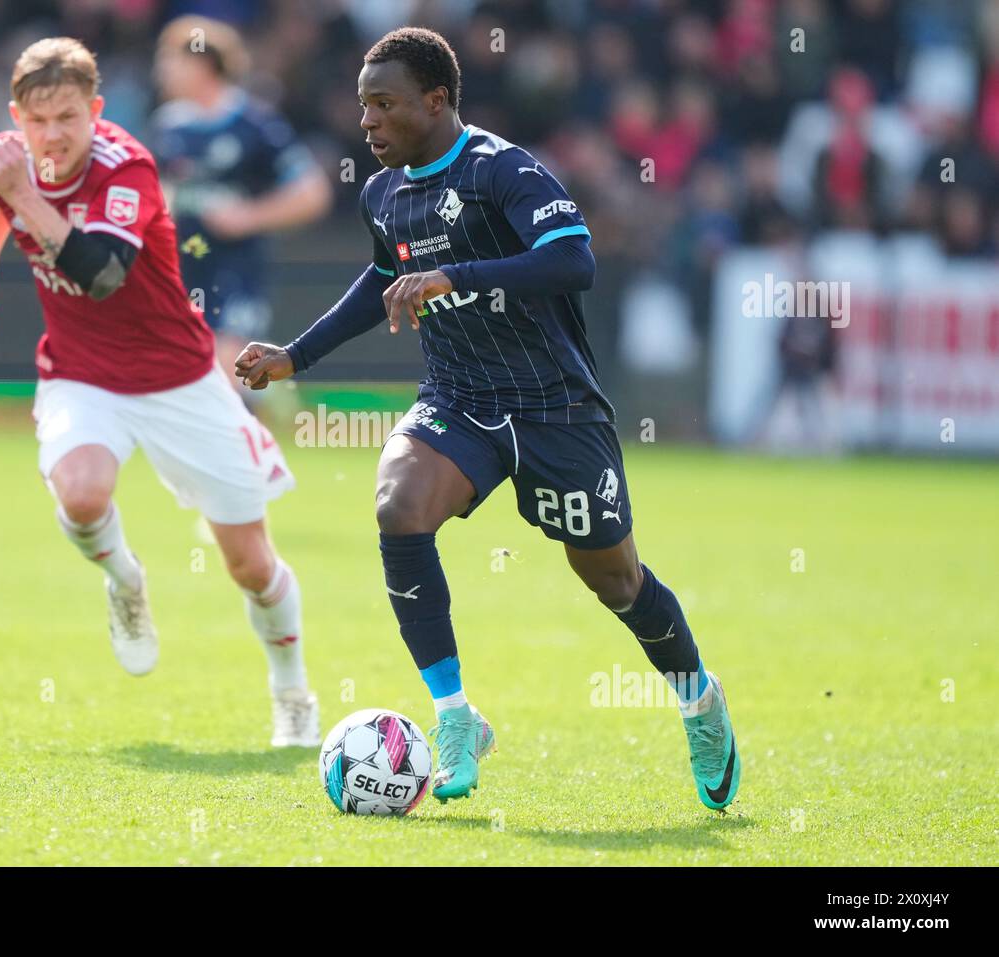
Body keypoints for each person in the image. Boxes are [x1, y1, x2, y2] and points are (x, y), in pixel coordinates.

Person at [236, 28, 739, 806]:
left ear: (435, 102)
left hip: (554, 407)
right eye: (362, 104)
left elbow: (575, 260)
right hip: (459, 399)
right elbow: (381, 281)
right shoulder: (383, 192)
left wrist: (452, 273)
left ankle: (698, 696)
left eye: (384, 104)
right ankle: (455, 716)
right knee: (398, 508)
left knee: (614, 579)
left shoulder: (502, 169)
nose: (365, 121)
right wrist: (295, 357)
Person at [0, 37, 318, 747]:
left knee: (251, 564)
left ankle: (292, 690)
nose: (52, 135)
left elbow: (101, 273)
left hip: (179, 377)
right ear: (17, 116)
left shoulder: (129, 169)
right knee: (81, 494)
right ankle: (125, 581)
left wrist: (24, 192)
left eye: (68, 118)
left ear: (97, 111)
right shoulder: (3, 161)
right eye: (38, 119)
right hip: (81, 372)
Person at [151, 15, 332, 404]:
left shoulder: (255, 124)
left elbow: (312, 192)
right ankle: (256, 406)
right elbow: (160, 194)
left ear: (203, 65)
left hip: (237, 270)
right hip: (184, 267)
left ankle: (254, 417)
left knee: (222, 371)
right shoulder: (169, 127)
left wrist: (250, 216)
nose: (161, 71)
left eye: (171, 60)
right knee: (186, 378)